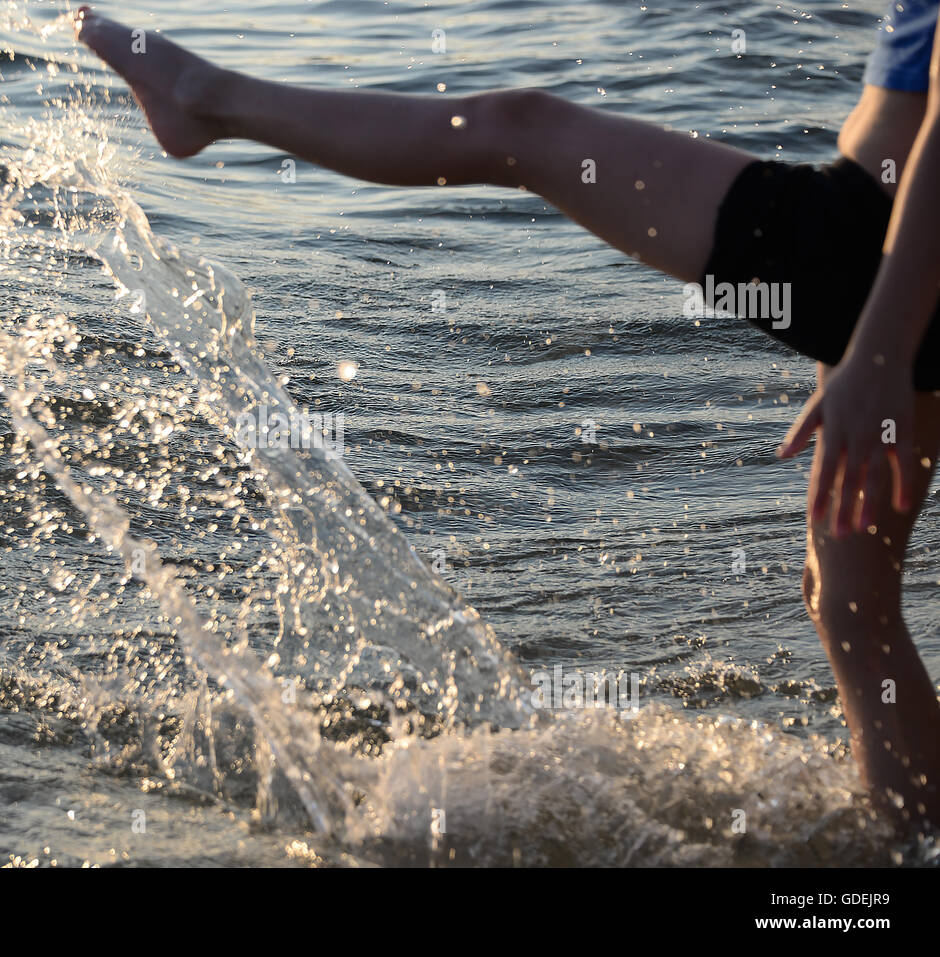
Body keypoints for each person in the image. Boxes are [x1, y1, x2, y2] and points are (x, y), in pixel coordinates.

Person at [75, 3, 940, 833]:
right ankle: (910, 848)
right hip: (899, 265)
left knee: (517, 130)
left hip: (876, 256)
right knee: (853, 603)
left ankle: (208, 98)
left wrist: (879, 350)